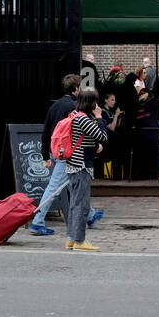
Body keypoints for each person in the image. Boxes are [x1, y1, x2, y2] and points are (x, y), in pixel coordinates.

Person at [32, 74, 105, 236]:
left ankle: (90, 215)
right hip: (71, 153)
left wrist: (45, 155)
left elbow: (46, 132)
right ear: (76, 88)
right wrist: (94, 147)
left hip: (57, 151)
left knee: (74, 185)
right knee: (55, 187)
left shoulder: (55, 106)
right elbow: (82, 133)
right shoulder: (75, 107)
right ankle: (37, 221)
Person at [65, 89, 109, 251]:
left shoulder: (74, 115)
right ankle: (79, 240)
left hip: (72, 164)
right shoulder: (84, 119)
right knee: (82, 204)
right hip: (81, 165)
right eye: (95, 102)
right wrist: (99, 118)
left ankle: (71, 238)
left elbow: (83, 139)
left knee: (74, 203)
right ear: (91, 103)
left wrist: (95, 146)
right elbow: (103, 136)